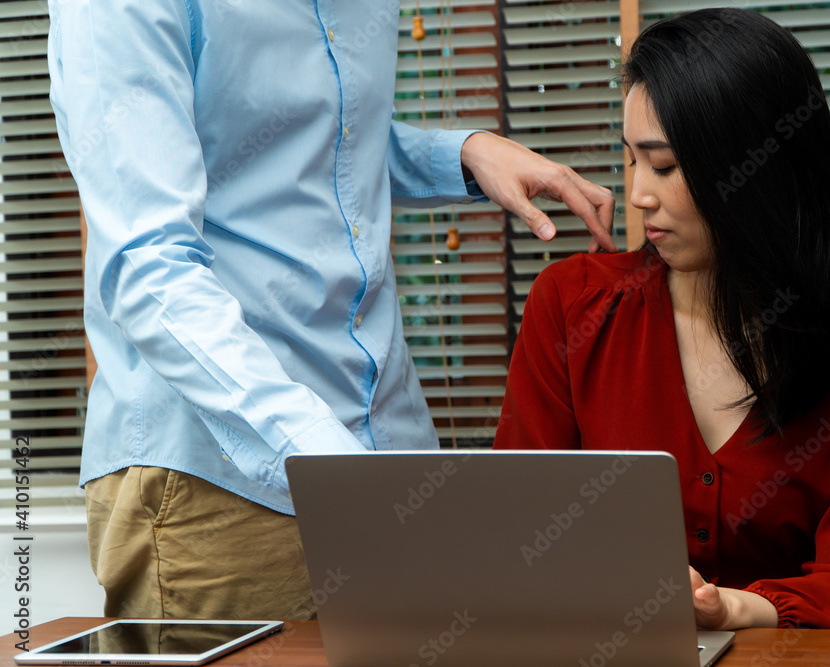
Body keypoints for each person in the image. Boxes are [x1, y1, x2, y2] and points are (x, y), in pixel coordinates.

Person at [48, 1, 615, 621]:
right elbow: (148, 265)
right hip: (222, 476)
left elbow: (293, 135)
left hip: (388, 449)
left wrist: (460, 153)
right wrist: (325, 460)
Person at [493, 8, 830, 631]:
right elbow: (518, 536)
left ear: (758, 170)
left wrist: (736, 608)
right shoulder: (569, 305)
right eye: (633, 162)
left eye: (664, 166)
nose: (639, 195)